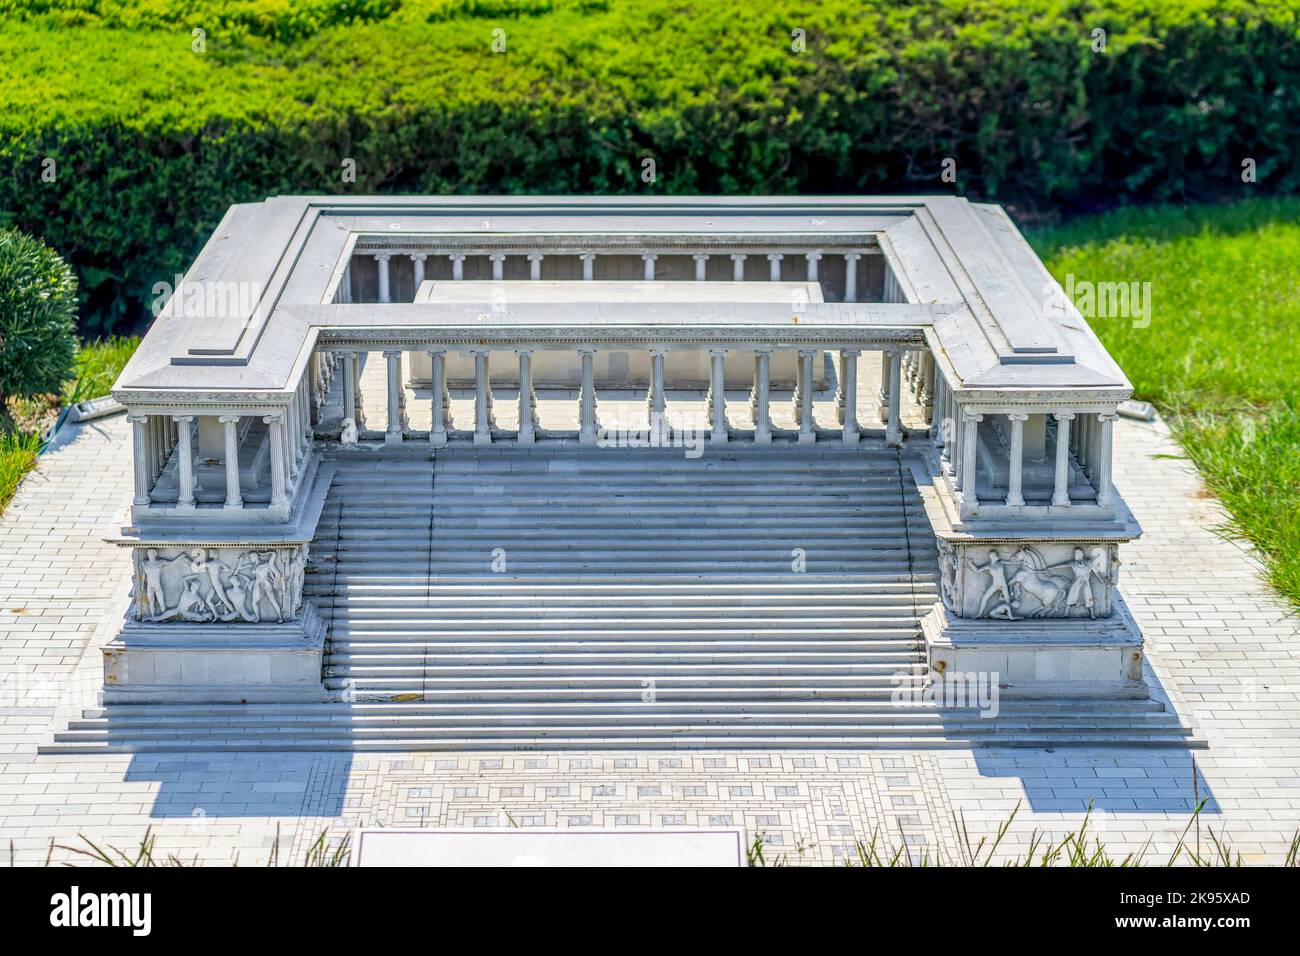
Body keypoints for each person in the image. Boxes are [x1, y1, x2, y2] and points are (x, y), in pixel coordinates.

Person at [965, 548, 1015, 618]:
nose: (997, 556)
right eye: (995, 555)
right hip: (995, 585)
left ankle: (1009, 614)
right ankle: (979, 614)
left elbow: (1010, 562)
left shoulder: (1000, 563)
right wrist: (970, 563)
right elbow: (977, 570)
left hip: (1003, 585)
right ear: (992, 557)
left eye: (996, 555)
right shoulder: (989, 566)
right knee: (985, 598)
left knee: (1008, 600)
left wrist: (1022, 561)